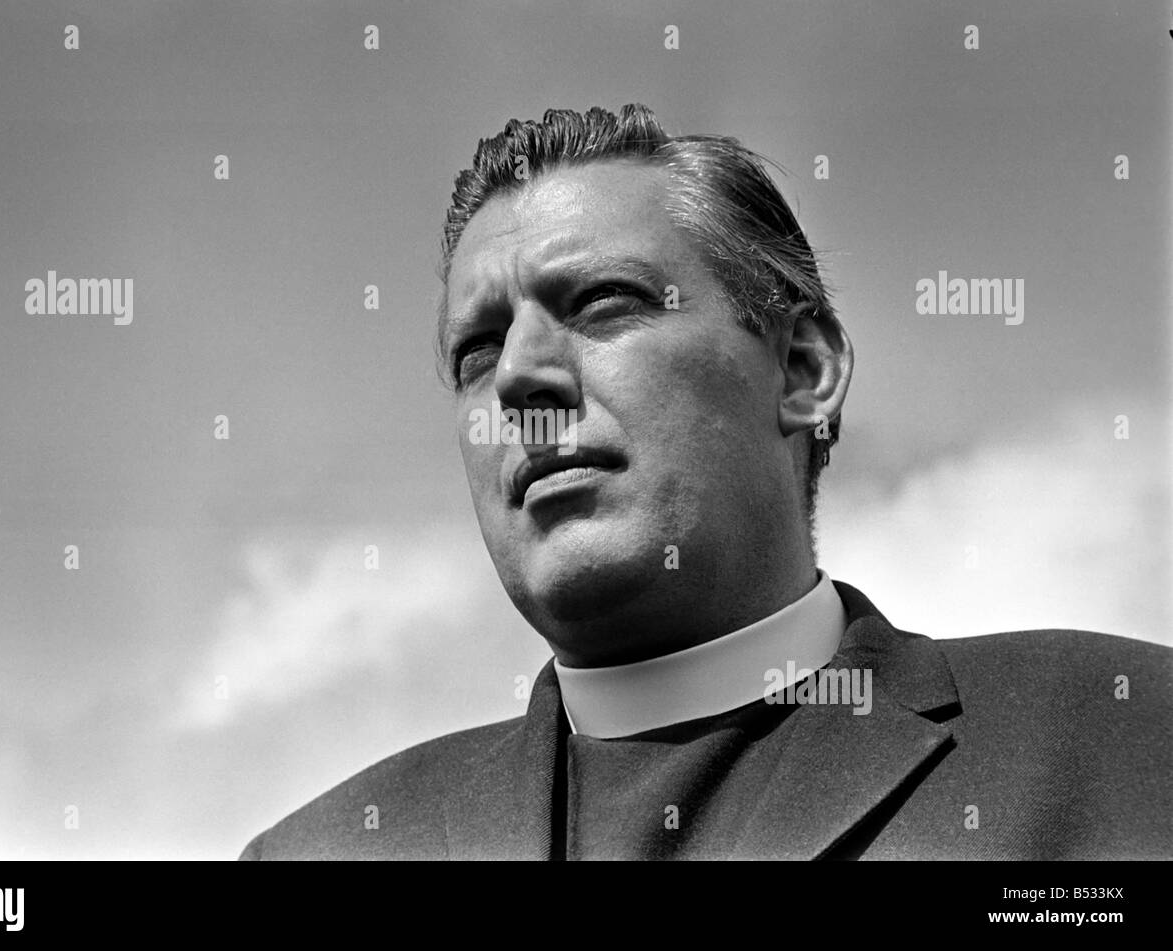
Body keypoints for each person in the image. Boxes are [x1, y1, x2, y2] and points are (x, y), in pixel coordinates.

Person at [240, 104, 1172, 860]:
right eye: (477, 350)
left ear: (803, 367)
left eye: (604, 300)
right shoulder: (323, 851)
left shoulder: (1121, 737)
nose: (519, 376)